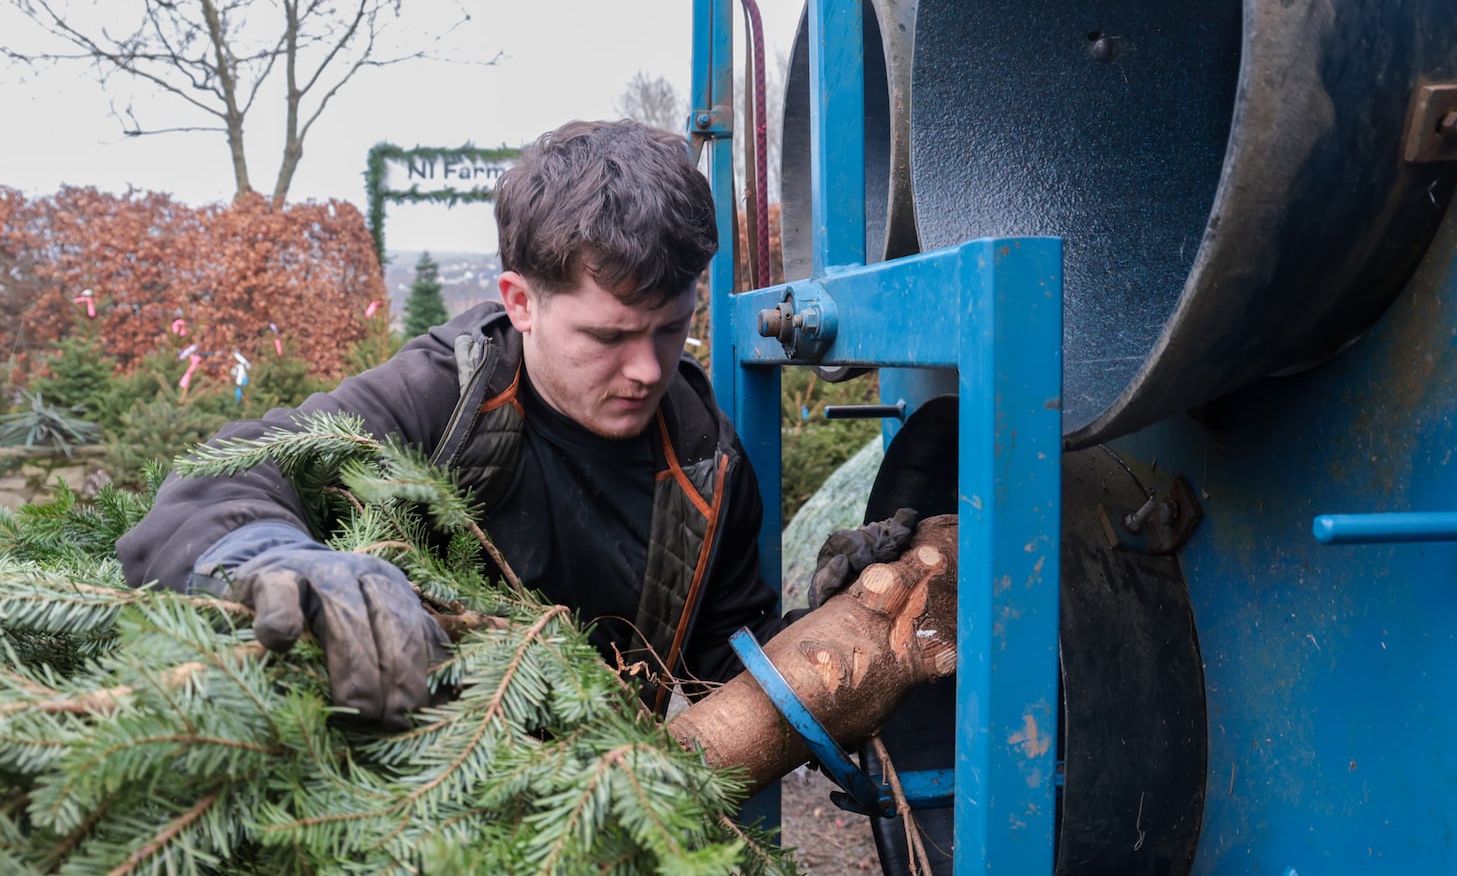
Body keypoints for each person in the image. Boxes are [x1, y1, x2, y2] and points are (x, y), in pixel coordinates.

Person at [117, 119, 912, 732]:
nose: (646, 369)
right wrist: (275, 556)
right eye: (608, 336)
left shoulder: (705, 461)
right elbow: (221, 478)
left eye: (670, 327)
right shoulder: (444, 395)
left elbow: (724, 668)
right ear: (520, 301)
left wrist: (825, 628)